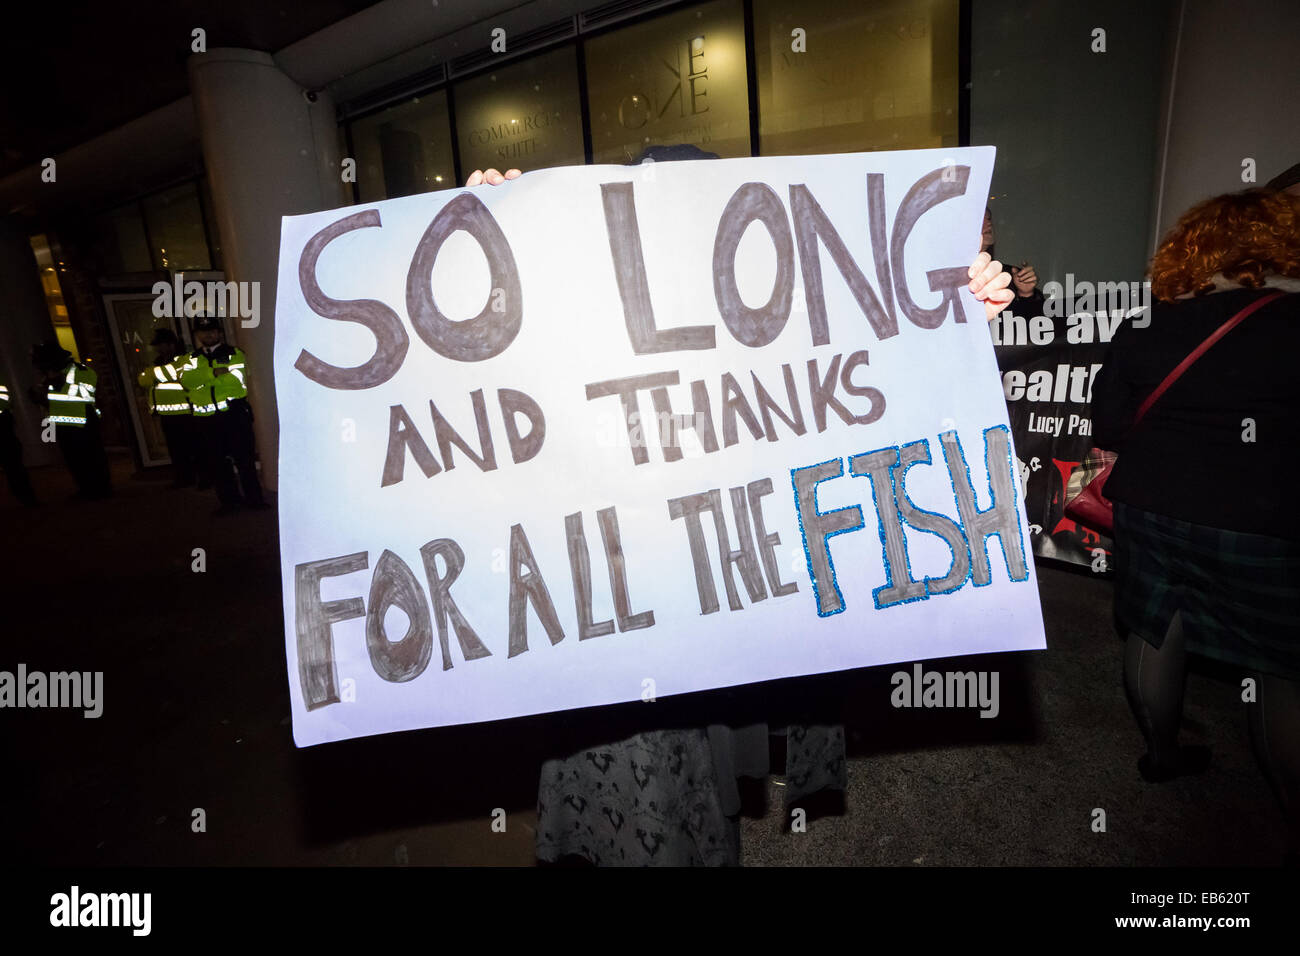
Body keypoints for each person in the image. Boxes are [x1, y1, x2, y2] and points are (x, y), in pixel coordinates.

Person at [467, 157, 1014, 865]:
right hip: (611, 643)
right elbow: (480, 408)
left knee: (701, 824)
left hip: (705, 651)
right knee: (642, 826)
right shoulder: (573, 321)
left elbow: (874, 404)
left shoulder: (753, 330)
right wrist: (490, 240)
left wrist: (956, 316)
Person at [1091, 188, 1300, 861]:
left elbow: (1112, 427)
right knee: (1280, 666)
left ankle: (1160, 755)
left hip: (1150, 506)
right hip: (1266, 521)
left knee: (1156, 627)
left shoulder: (1148, 326)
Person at [180, 316, 267, 514]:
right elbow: (187, 382)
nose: (208, 334)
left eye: (212, 330)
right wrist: (214, 374)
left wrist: (204, 381)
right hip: (206, 420)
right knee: (217, 463)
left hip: (234, 415)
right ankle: (229, 503)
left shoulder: (234, 353)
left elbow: (236, 383)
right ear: (197, 334)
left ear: (220, 332)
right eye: (203, 331)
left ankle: (255, 500)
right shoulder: (190, 359)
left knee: (244, 460)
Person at [31, 343, 111, 500]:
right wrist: (41, 398)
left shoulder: (79, 371)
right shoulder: (50, 376)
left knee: (92, 458)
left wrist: (54, 384)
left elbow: (85, 394)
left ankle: (101, 489)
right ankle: (86, 489)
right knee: (75, 461)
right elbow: (53, 401)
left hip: (83, 422)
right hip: (63, 425)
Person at [137, 328, 196, 487]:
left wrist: (152, 374)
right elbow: (142, 380)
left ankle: (198, 477)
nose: (158, 348)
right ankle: (183, 478)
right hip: (167, 414)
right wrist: (152, 374)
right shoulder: (159, 363)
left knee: (192, 448)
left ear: (171, 345)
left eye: (160, 345)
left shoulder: (184, 360)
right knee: (176, 450)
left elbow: (150, 376)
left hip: (186, 413)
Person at [981, 204, 1044, 319]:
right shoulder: (945, 276)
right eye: (980, 218)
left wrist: (1026, 294)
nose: (989, 223)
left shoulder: (1009, 276)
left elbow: (1037, 327)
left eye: (989, 219)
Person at [0, 366, 37, 506]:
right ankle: (25, 497)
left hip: (2, 424)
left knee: (12, 463)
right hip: (4, 422)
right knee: (12, 463)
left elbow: (3, 399)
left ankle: (26, 498)